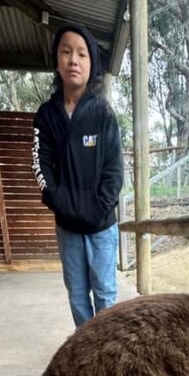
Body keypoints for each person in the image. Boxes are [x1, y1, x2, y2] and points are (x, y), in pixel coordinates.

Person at [33, 24, 123, 327]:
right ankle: (84, 356)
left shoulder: (104, 114)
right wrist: (61, 204)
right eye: (67, 52)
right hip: (67, 227)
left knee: (106, 295)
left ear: (91, 63)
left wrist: (97, 211)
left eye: (82, 54)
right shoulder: (47, 115)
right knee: (77, 297)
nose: (74, 59)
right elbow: (40, 165)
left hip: (102, 227)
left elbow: (114, 174)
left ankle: (107, 357)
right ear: (58, 61)